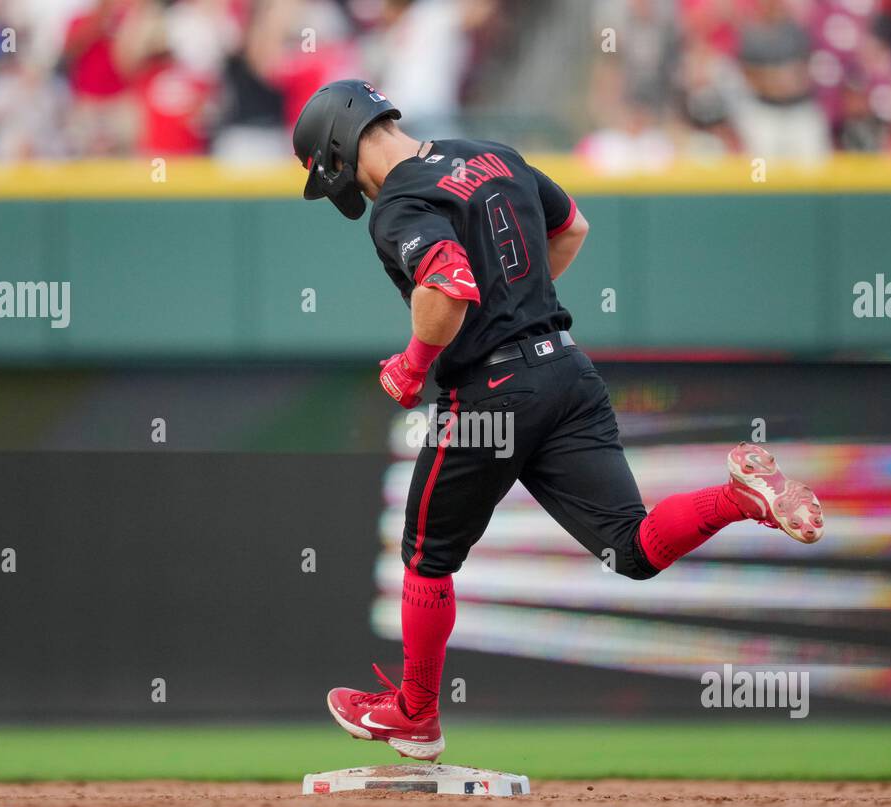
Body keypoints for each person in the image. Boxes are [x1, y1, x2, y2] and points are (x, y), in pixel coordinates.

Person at [293, 80, 825, 760]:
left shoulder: (398, 200)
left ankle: (416, 715)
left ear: (336, 149)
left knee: (428, 555)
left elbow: (448, 284)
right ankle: (738, 496)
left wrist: (412, 363)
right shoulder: (494, 154)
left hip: (493, 391)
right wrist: (521, 305)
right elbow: (572, 225)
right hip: (567, 373)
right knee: (632, 548)